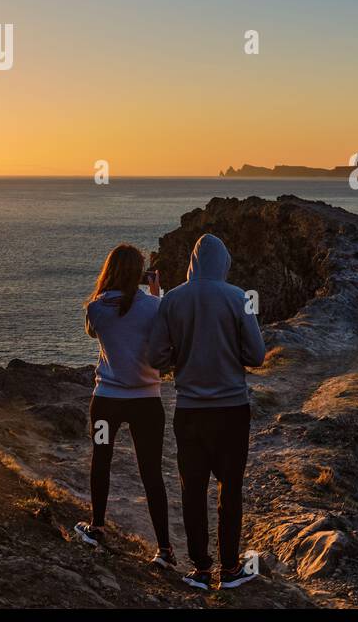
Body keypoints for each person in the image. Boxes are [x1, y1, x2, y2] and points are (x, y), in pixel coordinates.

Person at [148, 234, 266, 590]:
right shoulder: (239, 297)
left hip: (190, 411)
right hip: (232, 409)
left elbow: (155, 357)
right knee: (230, 490)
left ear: (193, 262)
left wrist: (180, 360)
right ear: (224, 262)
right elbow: (257, 355)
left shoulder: (172, 299)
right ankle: (230, 570)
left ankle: (200, 569)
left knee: (193, 490)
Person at [76, 243, 175, 569]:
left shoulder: (96, 308)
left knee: (101, 460)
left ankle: (97, 527)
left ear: (109, 271)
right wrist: (157, 293)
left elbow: (94, 333)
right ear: (140, 273)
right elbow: (164, 333)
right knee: (151, 474)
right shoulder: (155, 306)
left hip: (107, 402)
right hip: (146, 403)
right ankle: (164, 551)